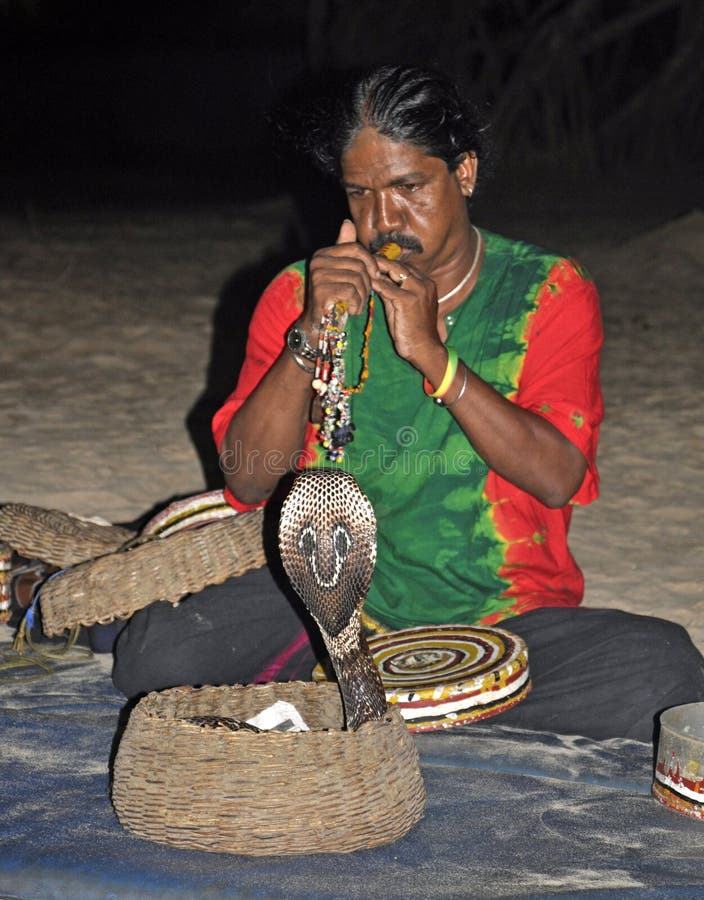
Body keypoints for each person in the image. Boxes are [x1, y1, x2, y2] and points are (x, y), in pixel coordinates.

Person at [113, 65, 704, 742]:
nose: (382, 220)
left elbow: (557, 475)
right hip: (328, 601)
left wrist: (433, 356)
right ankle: (415, 705)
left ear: (467, 174)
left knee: (665, 673)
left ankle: (355, 705)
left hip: (499, 618)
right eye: (360, 194)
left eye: (408, 187)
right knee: (155, 656)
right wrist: (309, 336)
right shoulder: (299, 294)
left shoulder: (545, 291)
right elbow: (248, 478)